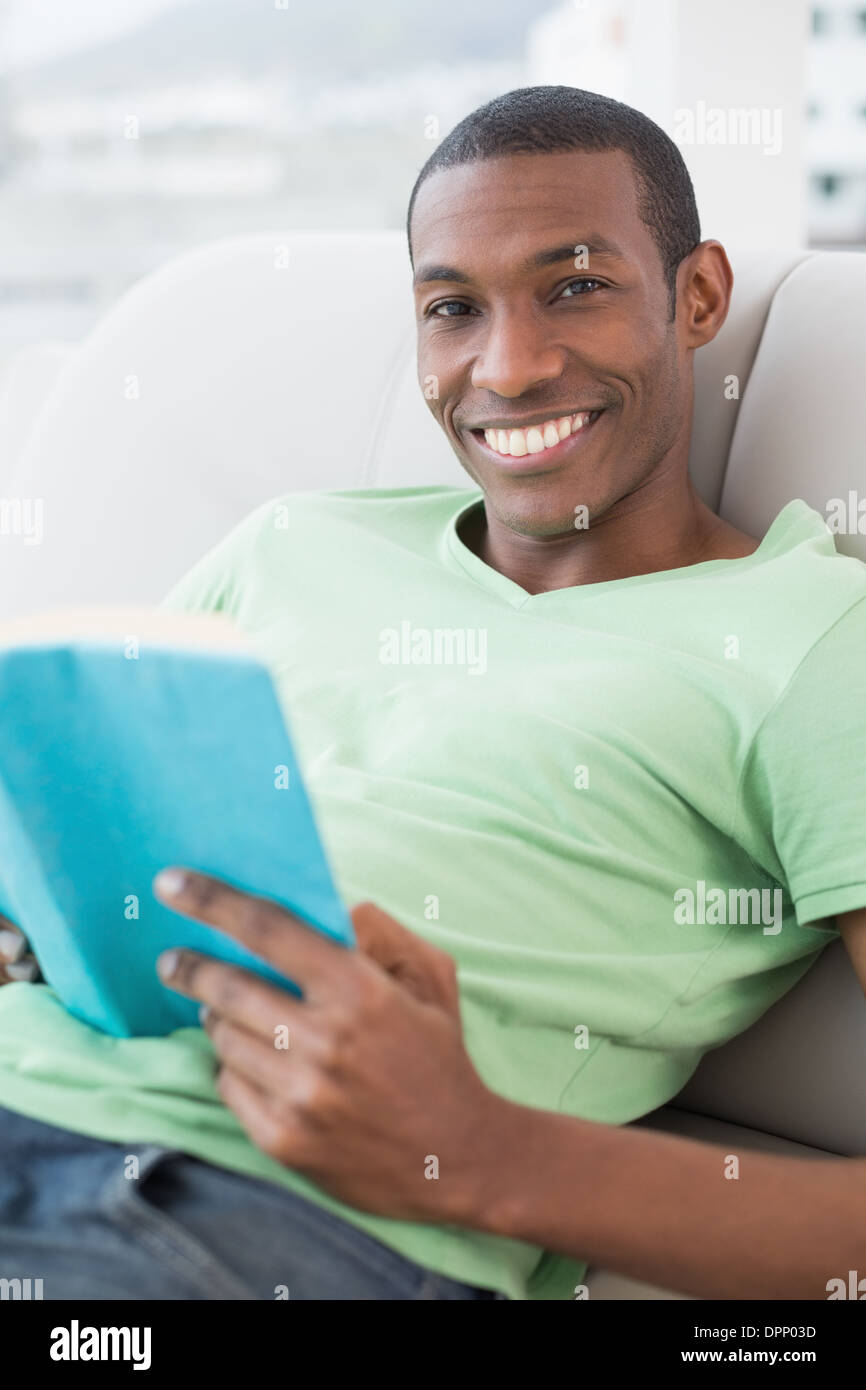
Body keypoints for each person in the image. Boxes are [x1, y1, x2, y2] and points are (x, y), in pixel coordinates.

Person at [1, 86, 865, 1302]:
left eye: (575, 286)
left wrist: (479, 1152)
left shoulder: (818, 643)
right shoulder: (286, 545)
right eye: (452, 309)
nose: (507, 368)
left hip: (209, 1216)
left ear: (697, 295)